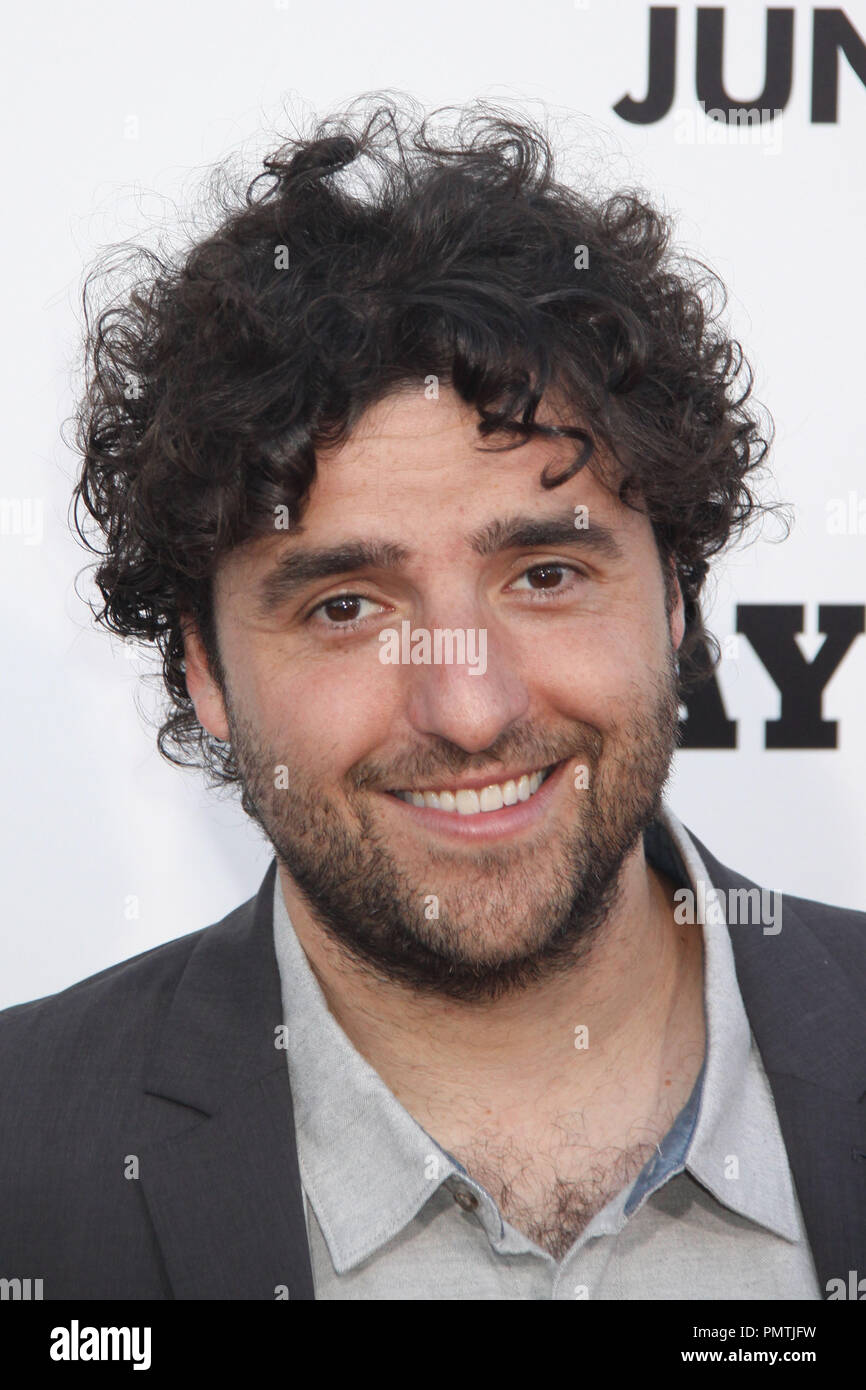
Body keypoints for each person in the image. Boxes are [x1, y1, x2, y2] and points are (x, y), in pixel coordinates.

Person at [1, 95, 863, 1301]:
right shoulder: (24, 1162)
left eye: (546, 574)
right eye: (344, 606)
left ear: (671, 596)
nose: (467, 707)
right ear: (201, 664)